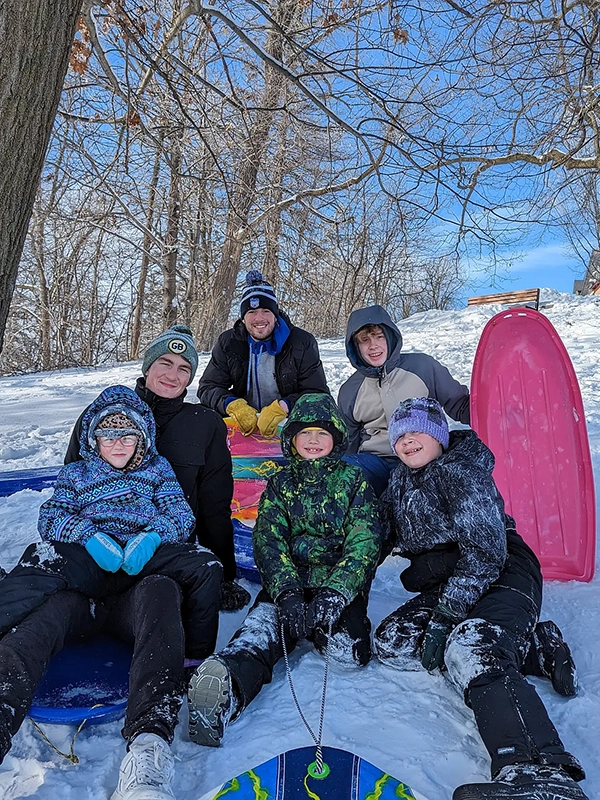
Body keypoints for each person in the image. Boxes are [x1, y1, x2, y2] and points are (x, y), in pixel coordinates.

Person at [0, 385, 223, 799]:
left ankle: (150, 741)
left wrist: (152, 538)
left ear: (142, 438)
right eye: (108, 435)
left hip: (139, 582)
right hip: (83, 585)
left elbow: (180, 513)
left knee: (177, 584)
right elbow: (51, 517)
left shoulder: (156, 471)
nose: (117, 443)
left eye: (127, 435)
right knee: (41, 593)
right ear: (93, 439)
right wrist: (89, 536)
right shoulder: (76, 474)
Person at [373, 397, 587, 800]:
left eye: (417, 431)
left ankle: (538, 770)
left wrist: (444, 616)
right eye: (399, 435)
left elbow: (486, 552)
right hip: (457, 575)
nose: (407, 441)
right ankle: (535, 647)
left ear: (438, 435)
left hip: (504, 564)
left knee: (473, 647)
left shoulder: (461, 471)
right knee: (395, 641)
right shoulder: (401, 480)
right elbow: (377, 539)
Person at [185, 393, 382, 747]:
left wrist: (337, 592)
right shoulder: (280, 483)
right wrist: (286, 591)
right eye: (304, 434)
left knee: (350, 653)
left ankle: (319, 628)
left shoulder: (355, 481)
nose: (312, 441)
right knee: (258, 635)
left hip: (337, 586)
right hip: (289, 583)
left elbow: (364, 541)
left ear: (336, 438)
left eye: (321, 434)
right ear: (291, 439)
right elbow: (269, 541)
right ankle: (224, 688)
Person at [65, 324, 250, 611]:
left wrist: (224, 575)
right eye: (165, 363)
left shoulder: (204, 424)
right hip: (99, 551)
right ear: (148, 365)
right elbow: (72, 482)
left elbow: (214, 505)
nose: (173, 375)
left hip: (166, 554)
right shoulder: (106, 413)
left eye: (183, 368)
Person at [337, 305, 470, 495]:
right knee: (344, 476)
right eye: (364, 340)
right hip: (377, 462)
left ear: (390, 337)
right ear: (355, 347)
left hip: (425, 456)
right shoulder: (349, 391)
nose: (373, 345)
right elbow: (348, 442)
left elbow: (459, 404)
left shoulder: (422, 367)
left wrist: (497, 413)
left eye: (379, 336)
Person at [197, 270, 330, 437]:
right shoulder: (228, 342)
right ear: (243, 318)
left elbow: (318, 393)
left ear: (275, 315)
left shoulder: (301, 342)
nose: (259, 318)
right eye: (251, 312)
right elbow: (208, 387)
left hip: (290, 423)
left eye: (266, 311)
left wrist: (284, 406)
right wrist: (232, 404)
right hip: (243, 425)